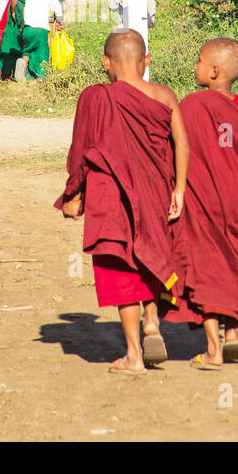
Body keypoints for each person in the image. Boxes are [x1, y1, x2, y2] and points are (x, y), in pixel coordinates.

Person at [56, 30, 189, 374]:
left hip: (110, 197)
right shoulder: (164, 95)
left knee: (121, 268)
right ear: (147, 61)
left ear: (106, 62)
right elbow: (183, 145)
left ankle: (133, 355)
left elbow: (81, 151)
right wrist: (179, 190)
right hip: (155, 192)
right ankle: (152, 322)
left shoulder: (94, 97)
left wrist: (73, 194)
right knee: (150, 254)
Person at [164, 38, 238, 370]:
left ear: (213, 70)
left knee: (206, 266)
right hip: (237, 199)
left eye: (198, 60)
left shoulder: (191, 105)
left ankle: (213, 349)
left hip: (203, 200)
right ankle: (233, 334)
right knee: (231, 262)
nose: (194, 66)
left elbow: (176, 149)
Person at [0, 0, 63, 80]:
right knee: (42, 52)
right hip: (41, 30)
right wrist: (59, 20)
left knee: (27, 49)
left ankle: (23, 63)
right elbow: (57, 6)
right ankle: (40, 76)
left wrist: (13, 11)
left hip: (27, 29)